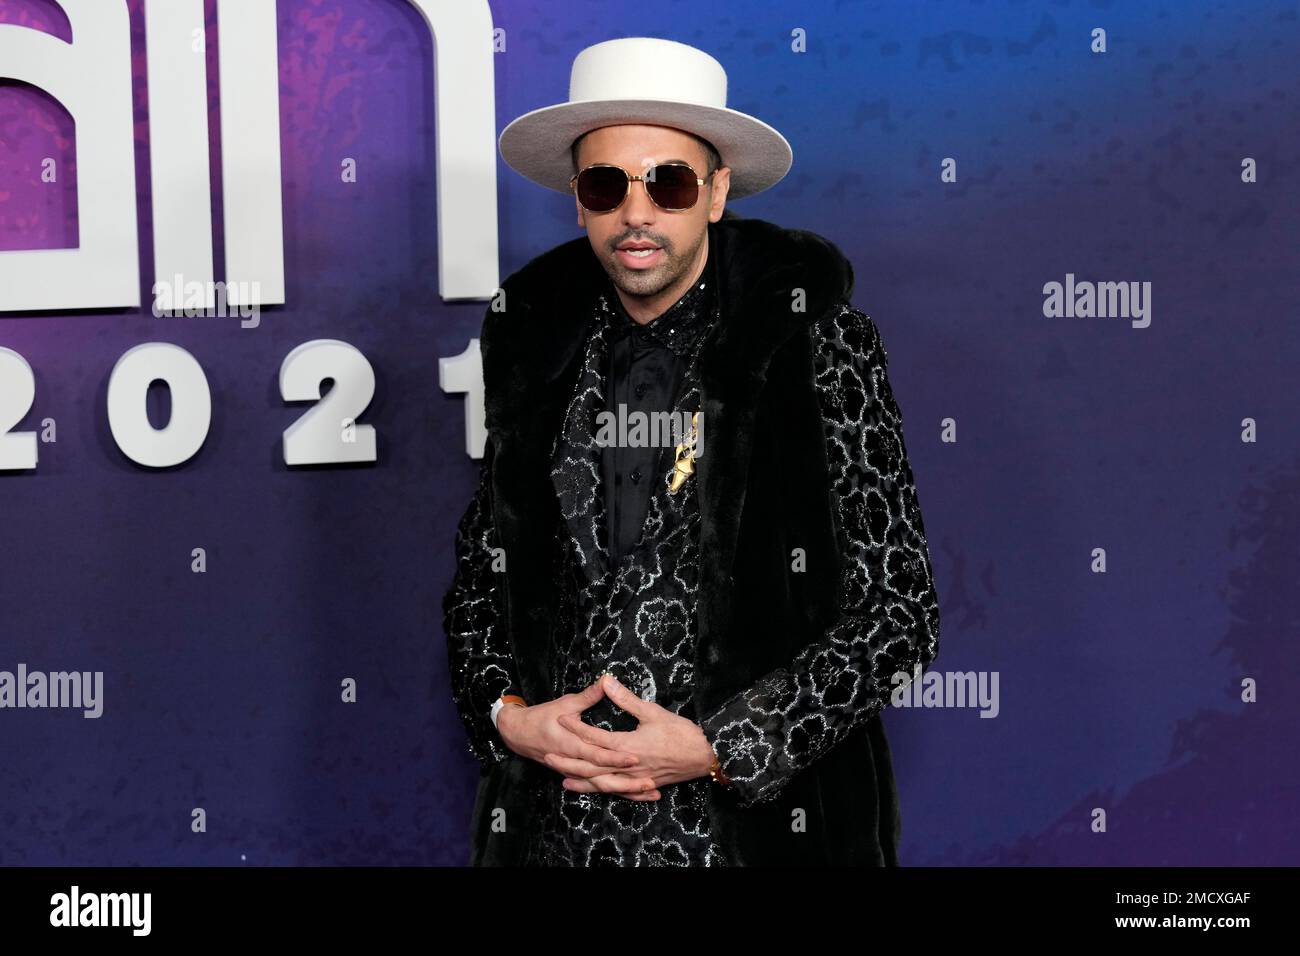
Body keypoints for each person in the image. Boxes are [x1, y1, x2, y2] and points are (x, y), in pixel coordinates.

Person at [443, 36, 941, 866]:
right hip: (558, 840)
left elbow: (900, 612)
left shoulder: (815, 346)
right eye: (607, 185)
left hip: (754, 839)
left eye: (667, 183)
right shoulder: (535, 358)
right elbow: (478, 582)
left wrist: (719, 746)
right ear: (578, 201)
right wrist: (508, 716)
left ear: (714, 193)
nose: (635, 213)